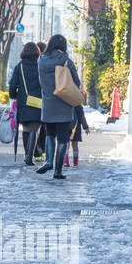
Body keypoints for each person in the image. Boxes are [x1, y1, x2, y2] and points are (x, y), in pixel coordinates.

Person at [37, 34, 81, 180]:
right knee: (62, 139)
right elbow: (76, 81)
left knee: (50, 135)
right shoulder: (65, 60)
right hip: (63, 103)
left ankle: (49, 161)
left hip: (48, 103)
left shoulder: (41, 60)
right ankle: (57, 171)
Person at [7, 41, 44, 166]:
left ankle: (28, 155)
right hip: (39, 102)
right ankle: (29, 155)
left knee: (26, 128)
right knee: (34, 128)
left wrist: (13, 95)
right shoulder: (41, 66)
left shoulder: (20, 66)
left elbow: (12, 85)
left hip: (24, 102)